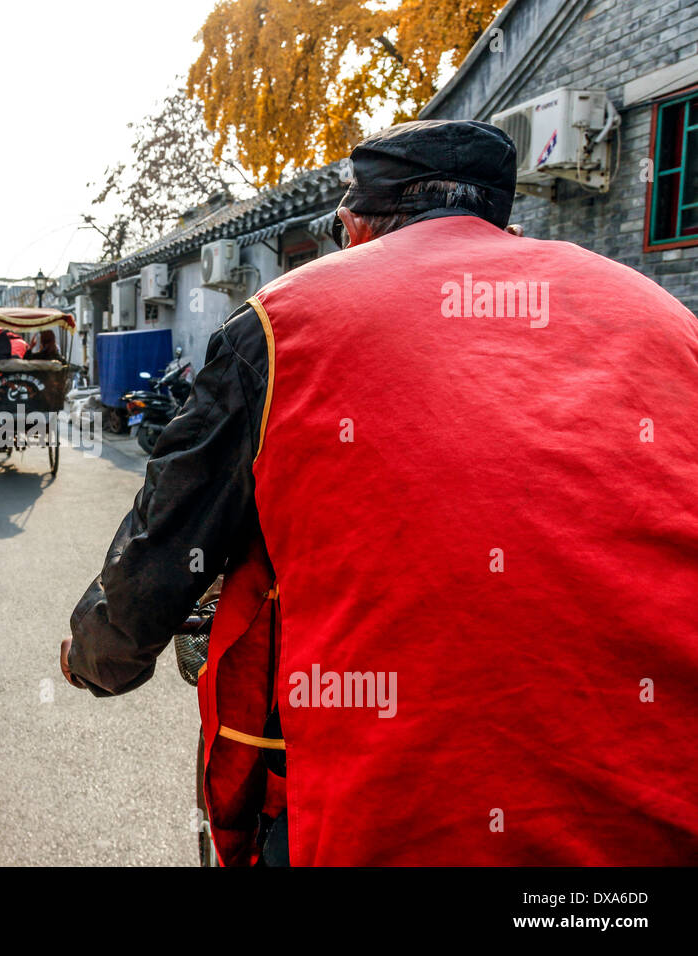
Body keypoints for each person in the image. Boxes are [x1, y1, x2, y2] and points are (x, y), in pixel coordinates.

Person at [62, 119, 698, 866]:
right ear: (503, 218)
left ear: (356, 224)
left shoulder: (283, 322)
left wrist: (99, 654)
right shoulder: (662, 316)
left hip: (399, 818)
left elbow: (167, 539)